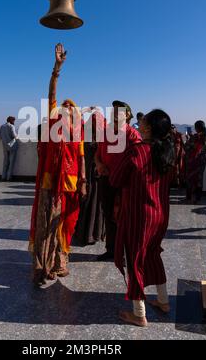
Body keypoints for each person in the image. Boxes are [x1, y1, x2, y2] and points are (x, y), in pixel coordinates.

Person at [109, 109, 175, 327]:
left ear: (147, 128)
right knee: (154, 255)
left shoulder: (138, 151)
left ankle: (139, 313)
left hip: (139, 215)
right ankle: (164, 301)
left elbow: (116, 179)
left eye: (143, 121)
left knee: (136, 260)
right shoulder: (167, 151)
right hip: (160, 215)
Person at [29, 44, 86, 285]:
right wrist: (57, 69)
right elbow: (51, 93)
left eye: (71, 109)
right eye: (65, 107)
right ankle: (41, 267)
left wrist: (83, 181)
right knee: (44, 227)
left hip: (70, 183)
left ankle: (58, 262)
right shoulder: (54, 120)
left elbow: (82, 158)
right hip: (48, 181)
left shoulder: (77, 134)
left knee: (64, 225)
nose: (67, 110)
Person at [95, 101, 141, 261]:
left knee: (124, 217)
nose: (114, 114)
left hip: (125, 184)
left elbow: (139, 159)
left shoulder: (132, 134)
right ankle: (112, 250)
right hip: (106, 181)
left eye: (118, 111)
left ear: (127, 115)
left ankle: (125, 251)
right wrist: (99, 164)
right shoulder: (105, 132)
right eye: (113, 111)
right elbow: (97, 154)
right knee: (108, 215)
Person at [74, 108, 106, 246]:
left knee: (88, 203)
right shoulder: (100, 139)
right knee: (95, 203)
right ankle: (93, 234)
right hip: (94, 175)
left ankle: (83, 233)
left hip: (86, 175)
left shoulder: (83, 136)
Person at [185, 120, 206, 204]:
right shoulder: (201, 136)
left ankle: (194, 198)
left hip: (198, 161)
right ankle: (193, 198)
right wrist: (191, 138)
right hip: (195, 161)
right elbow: (187, 146)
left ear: (197, 128)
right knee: (195, 179)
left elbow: (204, 145)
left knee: (196, 179)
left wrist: (193, 139)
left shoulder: (205, 137)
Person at [0, 116, 19, 181]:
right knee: (11, 162)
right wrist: (17, 135)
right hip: (12, 146)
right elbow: (14, 135)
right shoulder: (11, 126)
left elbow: (1, 137)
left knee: (5, 162)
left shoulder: (2, 126)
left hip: (5, 146)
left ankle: (3, 177)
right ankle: (9, 177)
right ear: (12, 120)